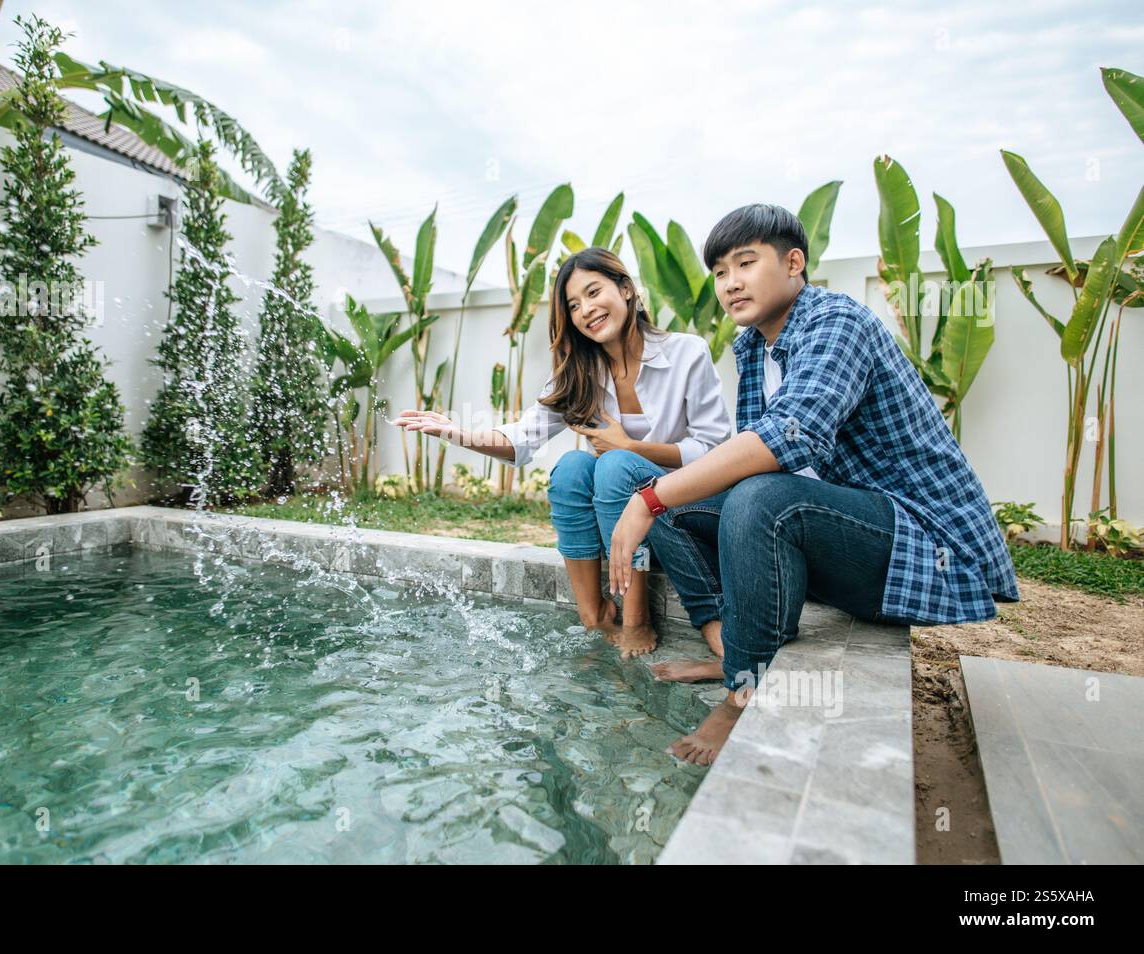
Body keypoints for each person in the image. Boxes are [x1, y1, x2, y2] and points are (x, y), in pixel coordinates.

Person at [606, 204, 1019, 765]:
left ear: (794, 262)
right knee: (682, 507)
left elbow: (786, 441)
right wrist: (658, 497)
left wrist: (647, 499)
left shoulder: (836, 322)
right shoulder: (754, 348)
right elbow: (755, 458)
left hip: (921, 542)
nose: (730, 283)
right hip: (838, 534)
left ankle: (743, 690)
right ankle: (735, 650)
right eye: (720, 272)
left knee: (753, 498)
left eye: (745, 263)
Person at [392, 247, 731, 659]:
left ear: (625, 289)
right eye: (574, 305)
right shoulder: (579, 373)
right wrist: (457, 433)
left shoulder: (686, 353)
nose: (586, 309)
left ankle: (636, 617)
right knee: (572, 466)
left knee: (615, 464)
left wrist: (631, 447)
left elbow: (714, 450)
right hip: (618, 526)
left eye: (593, 292)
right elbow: (521, 438)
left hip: (682, 515)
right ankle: (595, 613)